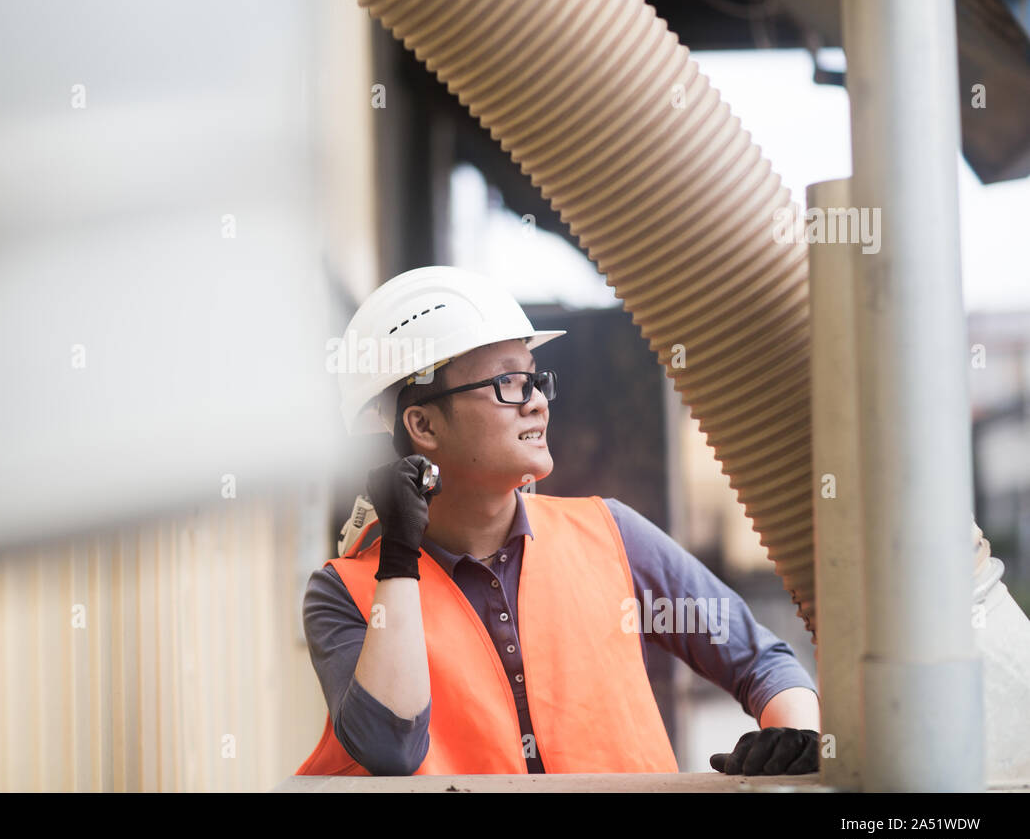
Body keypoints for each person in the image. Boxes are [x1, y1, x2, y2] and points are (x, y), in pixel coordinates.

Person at [297, 265, 820, 777]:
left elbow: (763, 661)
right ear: (423, 424)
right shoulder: (344, 592)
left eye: (536, 380)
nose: (539, 403)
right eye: (510, 382)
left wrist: (794, 740)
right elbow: (390, 748)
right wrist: (399, 559)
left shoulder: (611, 535)